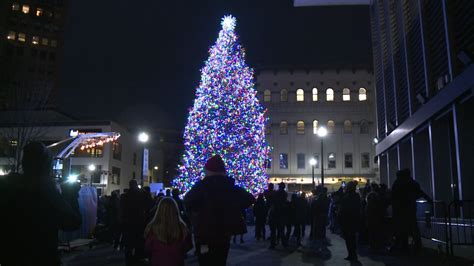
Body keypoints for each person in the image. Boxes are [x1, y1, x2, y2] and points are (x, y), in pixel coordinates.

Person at [0, 142, 82, 266]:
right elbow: (72, 222)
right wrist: (71, 194)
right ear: (45, 165)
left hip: (12, 257)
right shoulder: (45, 191)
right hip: (41, 258)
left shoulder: (7, 186)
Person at [184, 155, 255, 266]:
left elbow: (188, 201)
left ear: (209, 170)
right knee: (220, 260)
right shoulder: (229, 186)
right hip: (224, 232)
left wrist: (197, 214)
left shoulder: (203, 186)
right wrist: (233, 208)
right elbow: (249, 198)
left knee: (205, 261)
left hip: (205, 233)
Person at [391, 169, 432, 253]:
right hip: (409, 208)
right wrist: (428, 199)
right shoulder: (411, 183)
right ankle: (416, 246)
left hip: (401, 209)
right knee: (412, 228)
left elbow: (393, 195)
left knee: (403, 228)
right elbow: (420, 192)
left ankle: (405, 246)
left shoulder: (398, 183)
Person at [144, 197, 192, 266]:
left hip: (158, 262)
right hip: (177, 262)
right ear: (175, 209)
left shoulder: (152, 227)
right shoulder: (182, 227)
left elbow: (147, 247)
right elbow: (188, 246)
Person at [121, 179, 148, 265]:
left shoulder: (125, 196)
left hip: (127, 222)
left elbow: (121, 209)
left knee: (128, 243)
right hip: (138, 221)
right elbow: (148, 204)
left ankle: (128, 260)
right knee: (138, 241)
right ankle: (137, 258)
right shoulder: (141, 195)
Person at [338, 181, 361, 261]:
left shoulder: (346, 198)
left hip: (347, 221)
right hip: (354, 221)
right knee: (352, 239)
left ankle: (351, 255)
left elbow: (342, 211)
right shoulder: (357, 197)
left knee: (349, 239)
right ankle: (353, 255)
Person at [268, 182, 288, 249]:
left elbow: (272, 201)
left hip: (275, 214)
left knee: (274, 231)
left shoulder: (276, 193)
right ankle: (283, 243)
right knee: (281, 230)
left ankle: (273, 244)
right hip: (281, 214)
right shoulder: (284, 194)